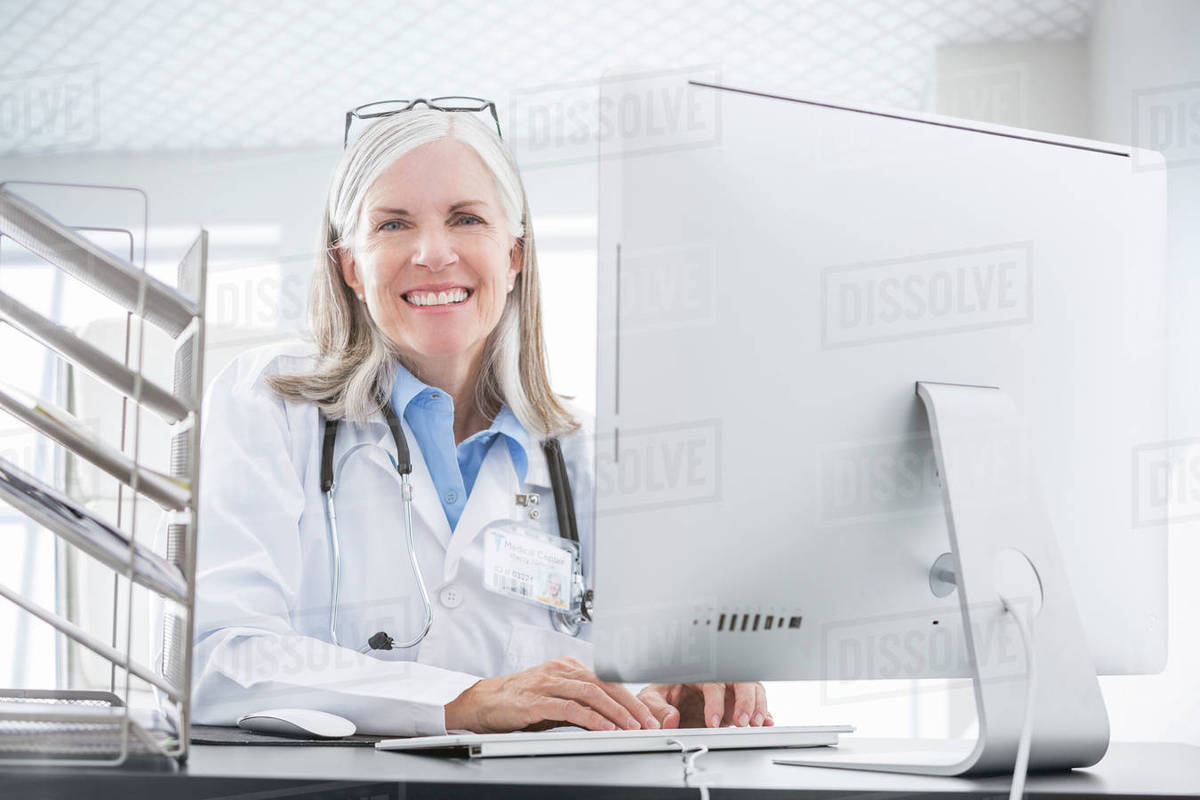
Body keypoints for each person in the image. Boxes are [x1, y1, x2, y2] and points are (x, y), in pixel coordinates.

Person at [189, 104, 773, 736]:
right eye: (392, 224)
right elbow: (217, 658)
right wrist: (463, 700)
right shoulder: (271, 403)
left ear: (515, 253)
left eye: (466, 218)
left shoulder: (585, 455)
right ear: (350, 266)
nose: (433, 253)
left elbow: (609, 678)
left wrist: (673, 698)